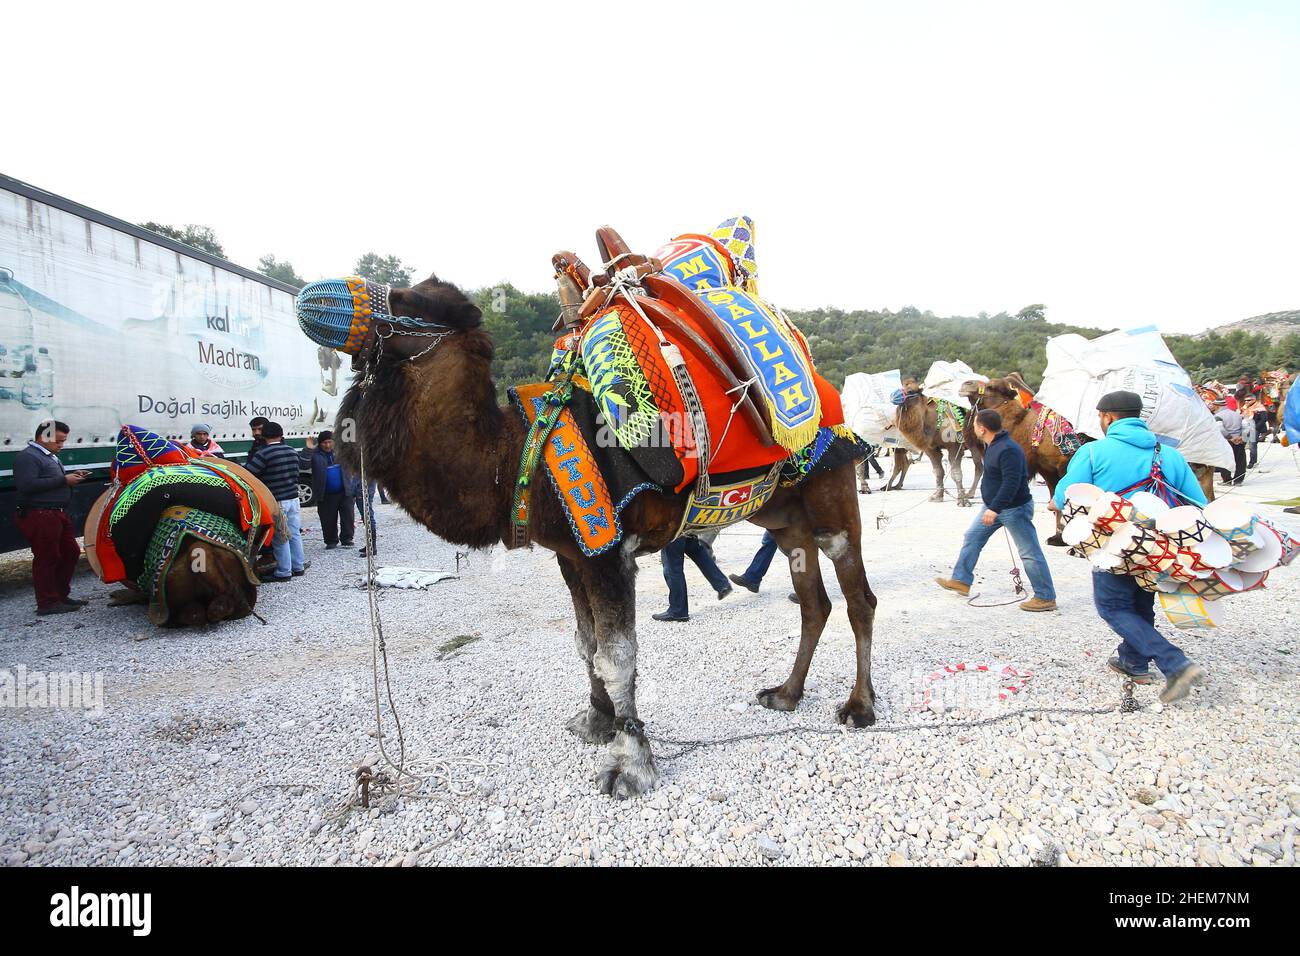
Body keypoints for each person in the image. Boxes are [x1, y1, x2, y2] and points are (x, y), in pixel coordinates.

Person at [1051, 390, 1207, 704]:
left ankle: (1176, 663)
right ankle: (1133, 662)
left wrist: (1056, 506)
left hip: (1113, 545)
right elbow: (1199, 504)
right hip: (1158, 547)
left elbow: (1063, 498)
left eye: (1100, 417)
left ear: (1108, 417)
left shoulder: (1094, 452)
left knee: (1113, 607)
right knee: (1140, 604)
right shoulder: (1170, 454)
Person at [935, 409, 1057, 612]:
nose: (973, 428)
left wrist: (994, 508)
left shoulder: (1007, 449)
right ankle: (961, 580)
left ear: (982, 429)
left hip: (1013, 509)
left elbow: (1012, 483)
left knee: (1029, 553)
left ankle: (1046, 597)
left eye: (974, 425)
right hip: (995, 507)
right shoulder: (992, 445)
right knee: (972, 538)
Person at [13, 420, 89, 616]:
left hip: (56, 513)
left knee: (70, 552)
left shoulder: (49, 456)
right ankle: (47, 603)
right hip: (40, 514)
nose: (61, 445)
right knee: (47, 557)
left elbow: (47, 481)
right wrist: (64, 480)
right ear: (44, 437)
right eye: (58, 441)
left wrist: (71, 478)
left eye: (63, 441)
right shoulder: (28, 457)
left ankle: (60, 595)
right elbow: (26, 485)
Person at [246, 421, 306, 582]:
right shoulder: (292, 451)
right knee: (294, 534)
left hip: (276, 500)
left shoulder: (263, 453)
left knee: (280, 538)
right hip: (293, 498)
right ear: (281, 435)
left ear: (264, 435)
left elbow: (249, 473)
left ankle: (284, 572)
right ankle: (298, 566)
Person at [653, 529, 733, 622]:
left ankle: (678, 611)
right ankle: (722, 584)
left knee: (672, 564)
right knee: (695, 550)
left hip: (674, 526)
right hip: (687, 524)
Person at [310, 430, 354, 549]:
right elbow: (303, 464)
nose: (327, 445)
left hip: (344, 491)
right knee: (327, 518)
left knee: (348, 517)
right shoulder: (315, 455)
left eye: (330, 442)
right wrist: (308, 449)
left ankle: (347, 538)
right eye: (324, 443)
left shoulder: (341, 453)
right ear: (320, 443)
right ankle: (331, 540)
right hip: (326, 493)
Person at [1213, 398, 1246, 485]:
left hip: (1226, 441)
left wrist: (1230, 438)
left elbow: (1220, 429)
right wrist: (1241, 437)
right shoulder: (1237, 414)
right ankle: (1238, 480)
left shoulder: (1218, 416)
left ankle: (1227, 480)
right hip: (1239, 441)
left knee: (1225, 461)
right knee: (1240, 461)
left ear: (1217, 406)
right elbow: (1246, 426)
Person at [348, 468, 378, 557]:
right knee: (365, 518)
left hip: (363, 491)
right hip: (361, 491)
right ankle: (370, 545)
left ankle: (372, 547)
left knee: (368, 517)